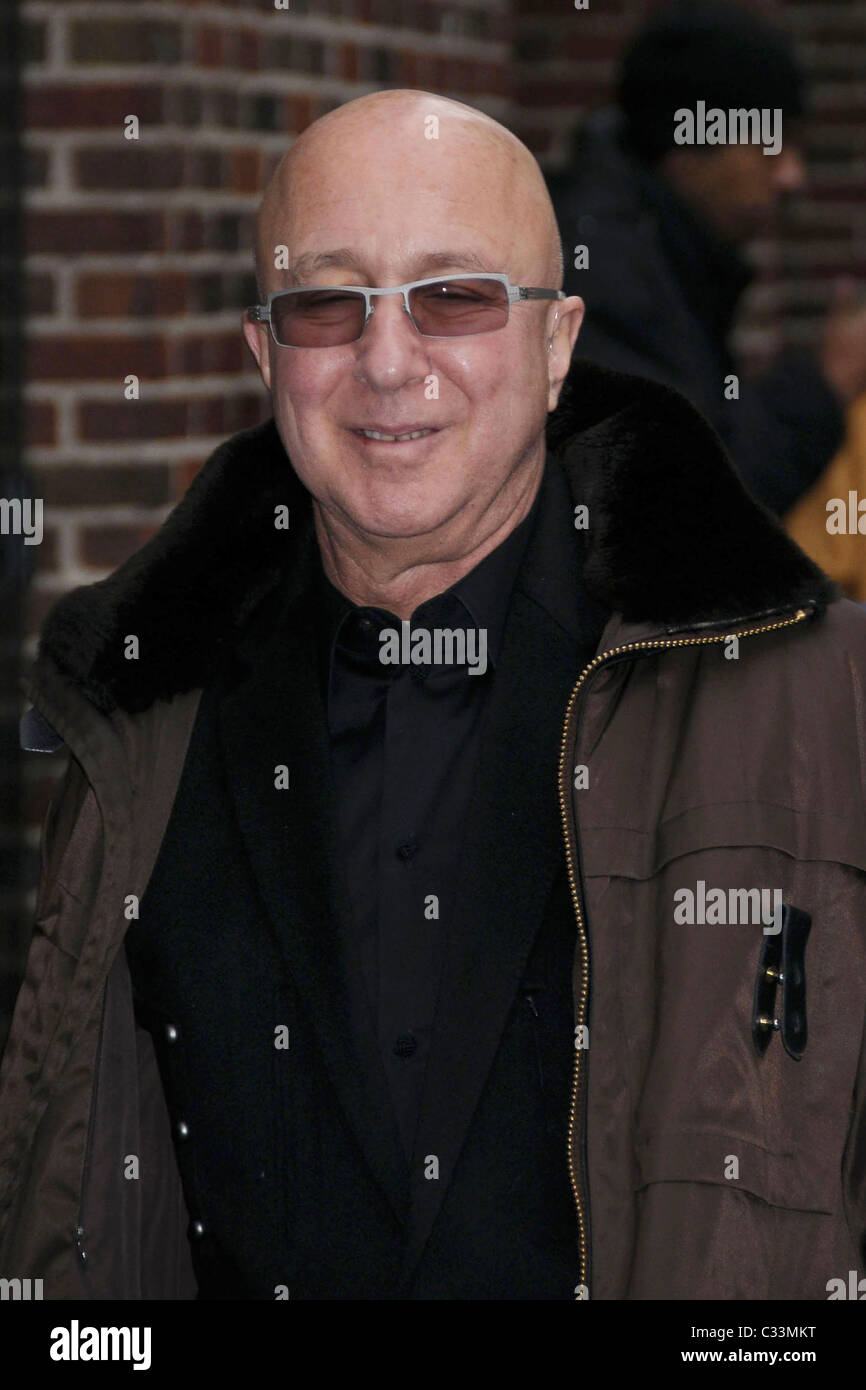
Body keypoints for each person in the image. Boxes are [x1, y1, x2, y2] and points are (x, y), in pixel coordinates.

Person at [2, 87, 866, 1302]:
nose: (387, 361)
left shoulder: (814, 705)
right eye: (326, 304)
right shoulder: (135, 724)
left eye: (452, 296)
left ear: (556, 342)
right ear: (265, 353)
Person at [548, 0, 866, 517]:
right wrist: (825, 385)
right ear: (687, 145)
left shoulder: (655, 246)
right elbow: (694, 504)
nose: (791, 175)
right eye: (769, 145)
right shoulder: (604, 275)